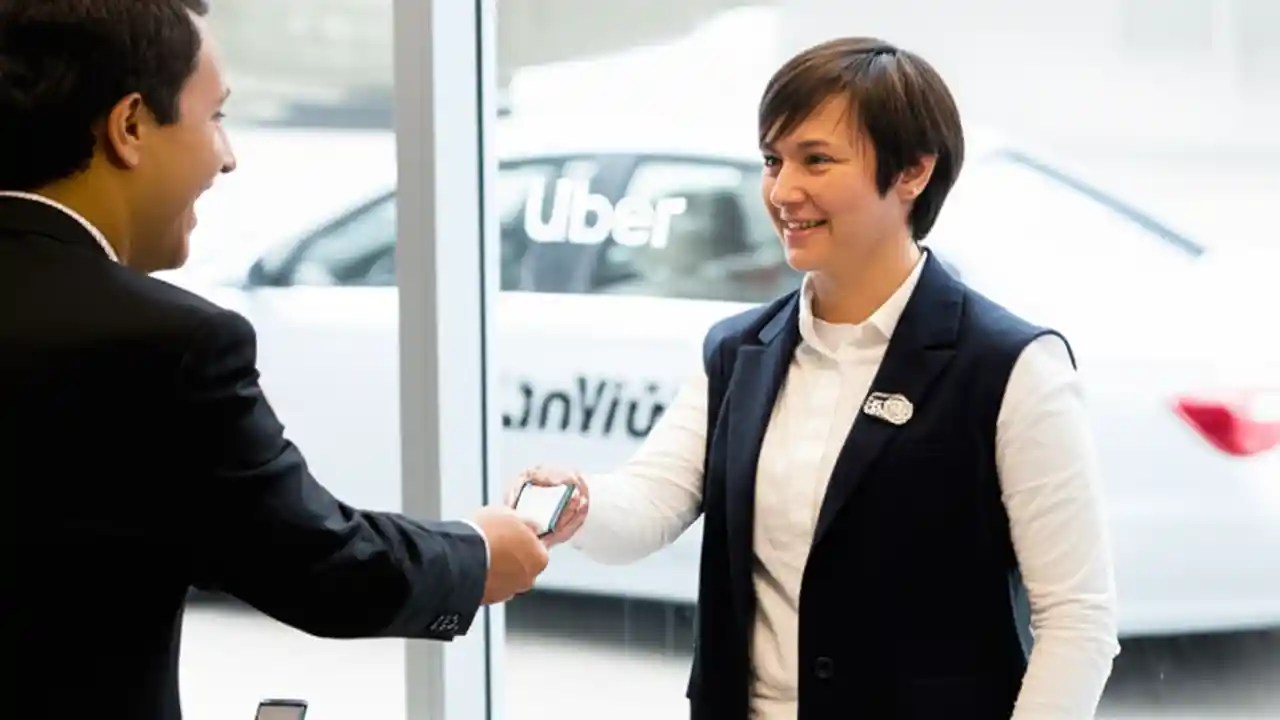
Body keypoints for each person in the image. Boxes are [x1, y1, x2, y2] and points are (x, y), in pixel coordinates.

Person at [519, 37, 1121, 719]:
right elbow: (654, 503)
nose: (782, 191)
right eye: (773, 161)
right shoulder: (739, 349)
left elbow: (1079, 623)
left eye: (817, 161)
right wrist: (581, 501)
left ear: (913, 173)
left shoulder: (1010, 367)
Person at [0, 2, 548, 718]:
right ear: (130, 126)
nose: (227, 157)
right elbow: (319, 563)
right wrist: (479, 556)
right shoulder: (164, 343)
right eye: (216, 117)